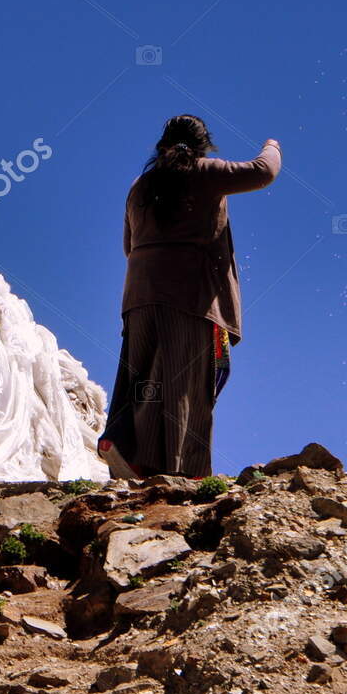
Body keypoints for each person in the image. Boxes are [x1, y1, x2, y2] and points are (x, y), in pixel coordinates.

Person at [100, 114, 280, 480]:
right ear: (203, 145)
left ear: (162, 145)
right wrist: (272, 145)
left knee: (142, 379)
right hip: (190, 295)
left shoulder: (140, 186)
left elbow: (128, 246)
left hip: (139, 294)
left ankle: (126, 448)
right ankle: (182, 474)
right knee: (186, 386)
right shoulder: (206, 172)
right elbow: (264, 171)